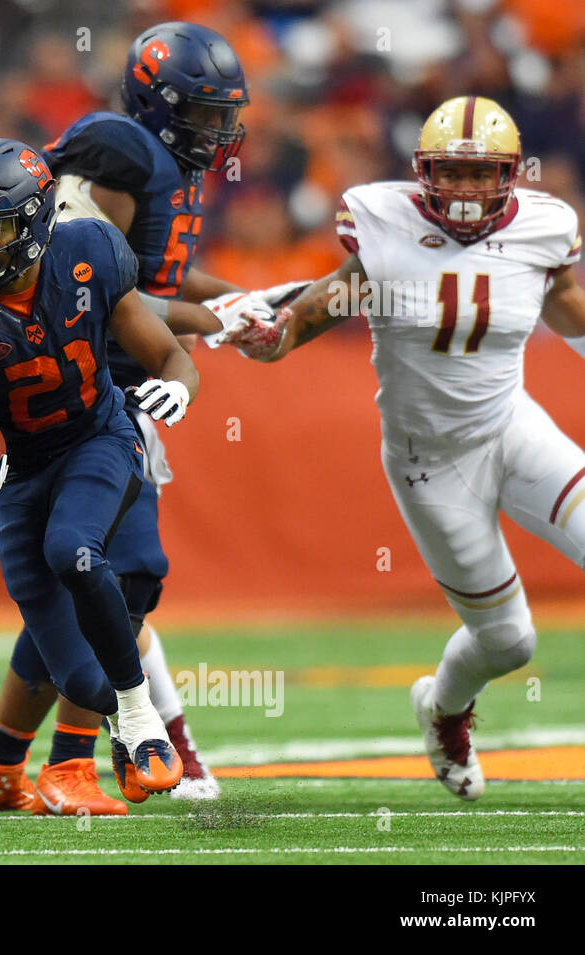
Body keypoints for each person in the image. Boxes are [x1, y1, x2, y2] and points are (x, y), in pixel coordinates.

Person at [0, 21, 276, 811]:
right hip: (81, 395)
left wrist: (224, 294)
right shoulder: (120, 156)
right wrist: (212, 320)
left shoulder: (162, 167)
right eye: (201, 114)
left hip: (112, 393)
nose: (217, 133)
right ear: (154, 105)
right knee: (111, 577)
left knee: (103, 579)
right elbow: (87, 288)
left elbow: (154, 267)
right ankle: (76, 761)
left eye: (223, 114)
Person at [231, 96, 585, 800]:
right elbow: (328, 301)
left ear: (510, 175)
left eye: (480, 173)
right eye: (449, 173)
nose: (463, 190)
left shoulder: (546, 228)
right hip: (430, 462)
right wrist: (275, 337)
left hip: (512, 428)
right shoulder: (383, 221)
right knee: (510, 642)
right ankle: (443, 709)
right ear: (422, 171)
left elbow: (565, 301)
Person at [0, 137, 201, 804]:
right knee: (80, 679)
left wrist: (179, 386)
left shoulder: (89, 252)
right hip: (19, 478)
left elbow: (170, 355)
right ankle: (112, 721)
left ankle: (142, 717)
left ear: (34, 221)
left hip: (98, 438)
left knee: (76, 551)